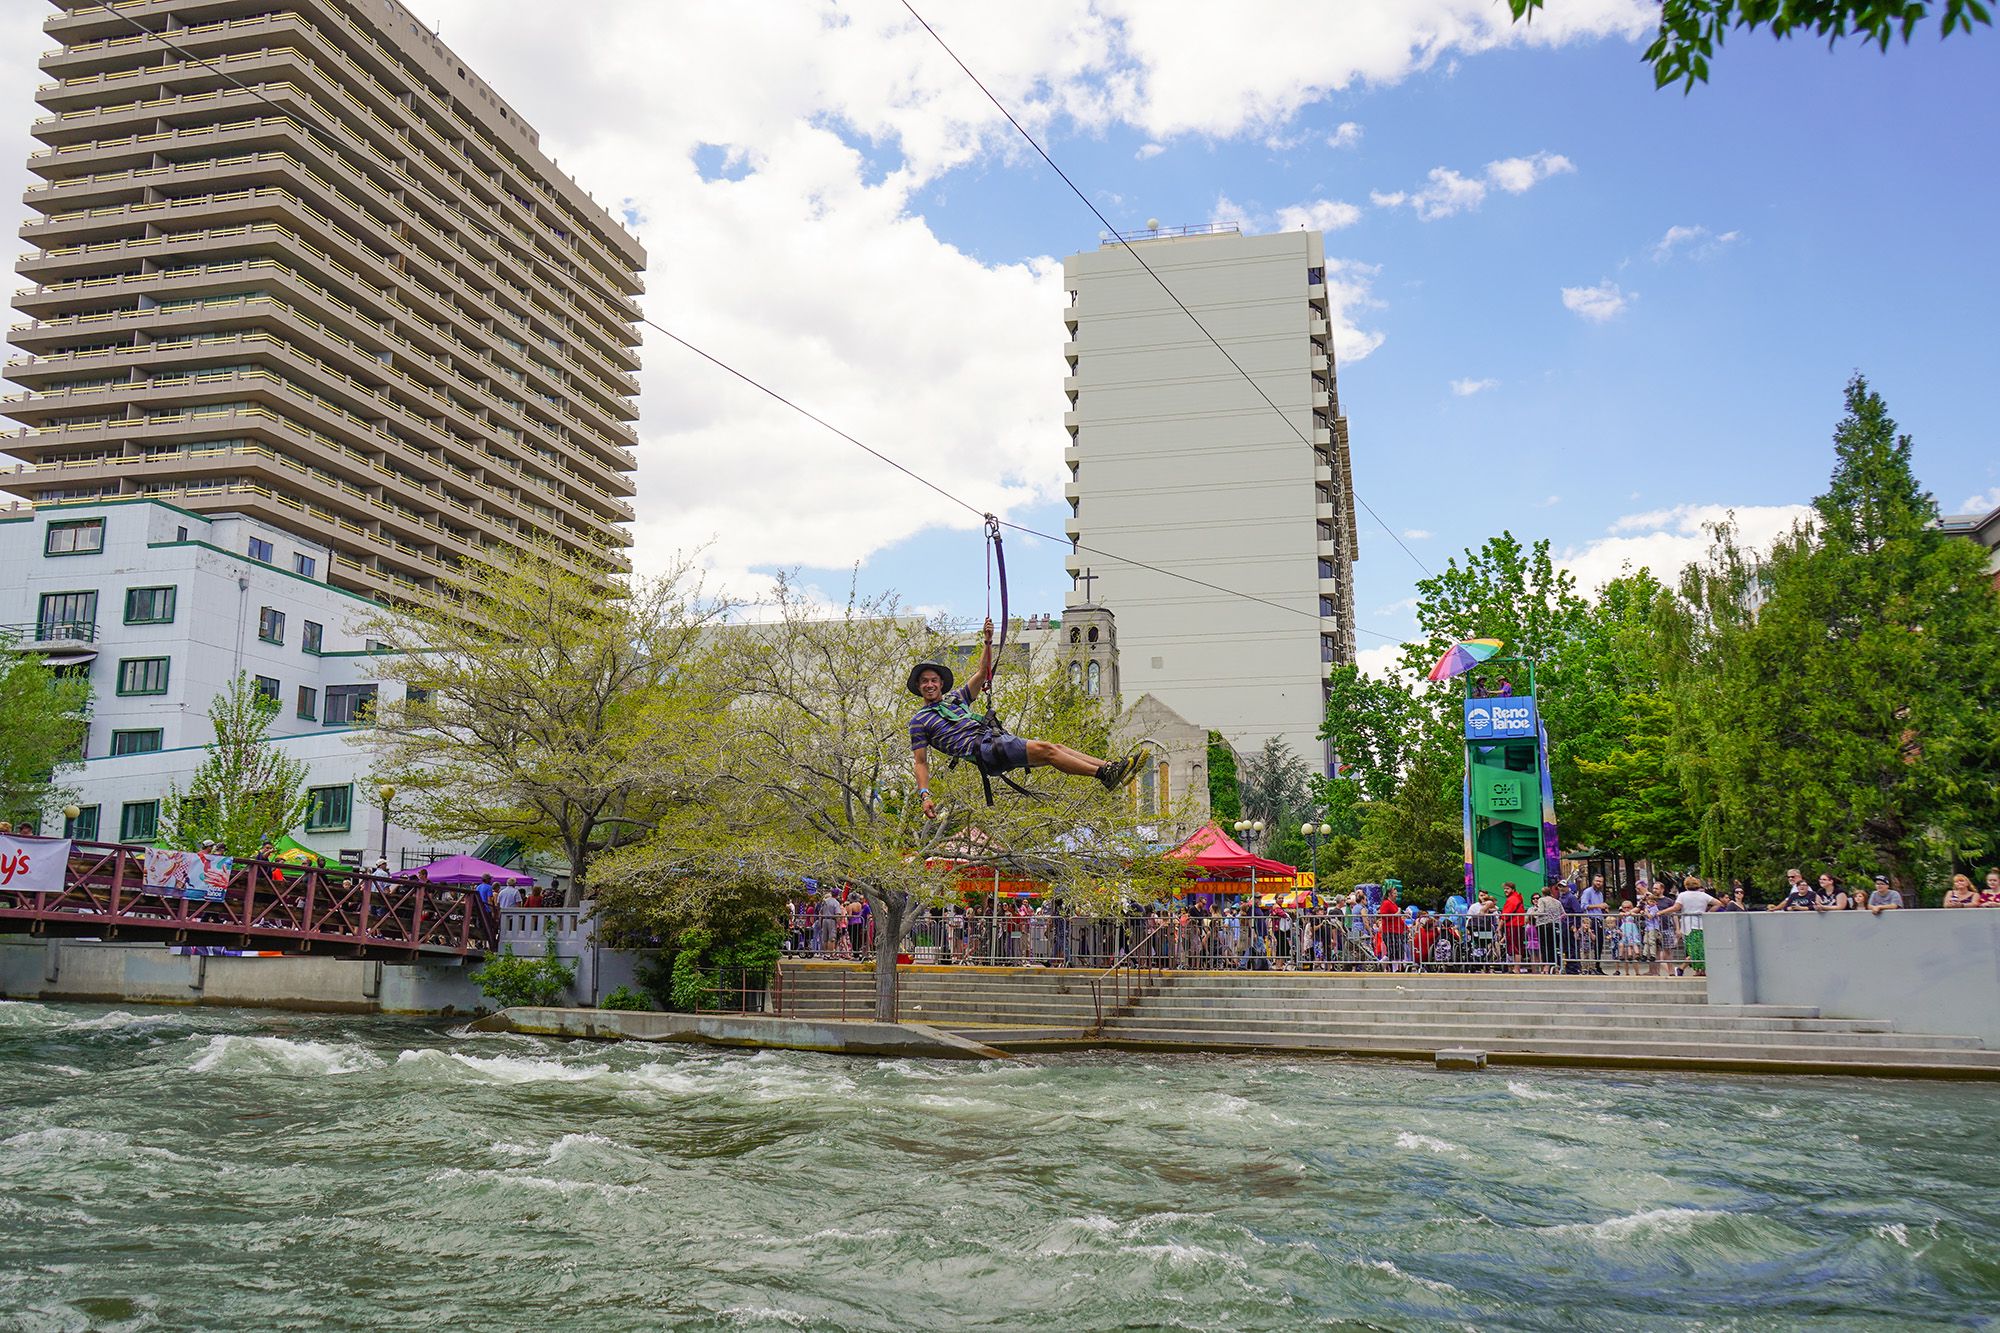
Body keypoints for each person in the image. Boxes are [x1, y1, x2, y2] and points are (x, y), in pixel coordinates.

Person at [908, 620, 1136, 818]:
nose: (930, 684)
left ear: (941, 683)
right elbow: (920, 762)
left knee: (1055, 748)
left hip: (994, 742)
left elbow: (982, 673)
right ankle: (1103, 774)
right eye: (925, 681)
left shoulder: (956, 699)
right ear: (919, 687)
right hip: (985, 750)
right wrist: (925, 795)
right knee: (1048, 750)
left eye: (933, 680)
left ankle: (1109, 767)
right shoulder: (920, 721)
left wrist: (987, 641)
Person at [1665, 875, 1720, 976]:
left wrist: (1661, 912)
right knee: (1700, 948)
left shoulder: (1683, 895)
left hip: (1689, 925)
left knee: (1694, 949)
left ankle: (1691, 969)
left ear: (1686, 885)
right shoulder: (1703, 895)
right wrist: (1707, 913)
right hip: (1701, 924)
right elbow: (1718, 903)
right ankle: (1699, 970)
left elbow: (1676, 907)